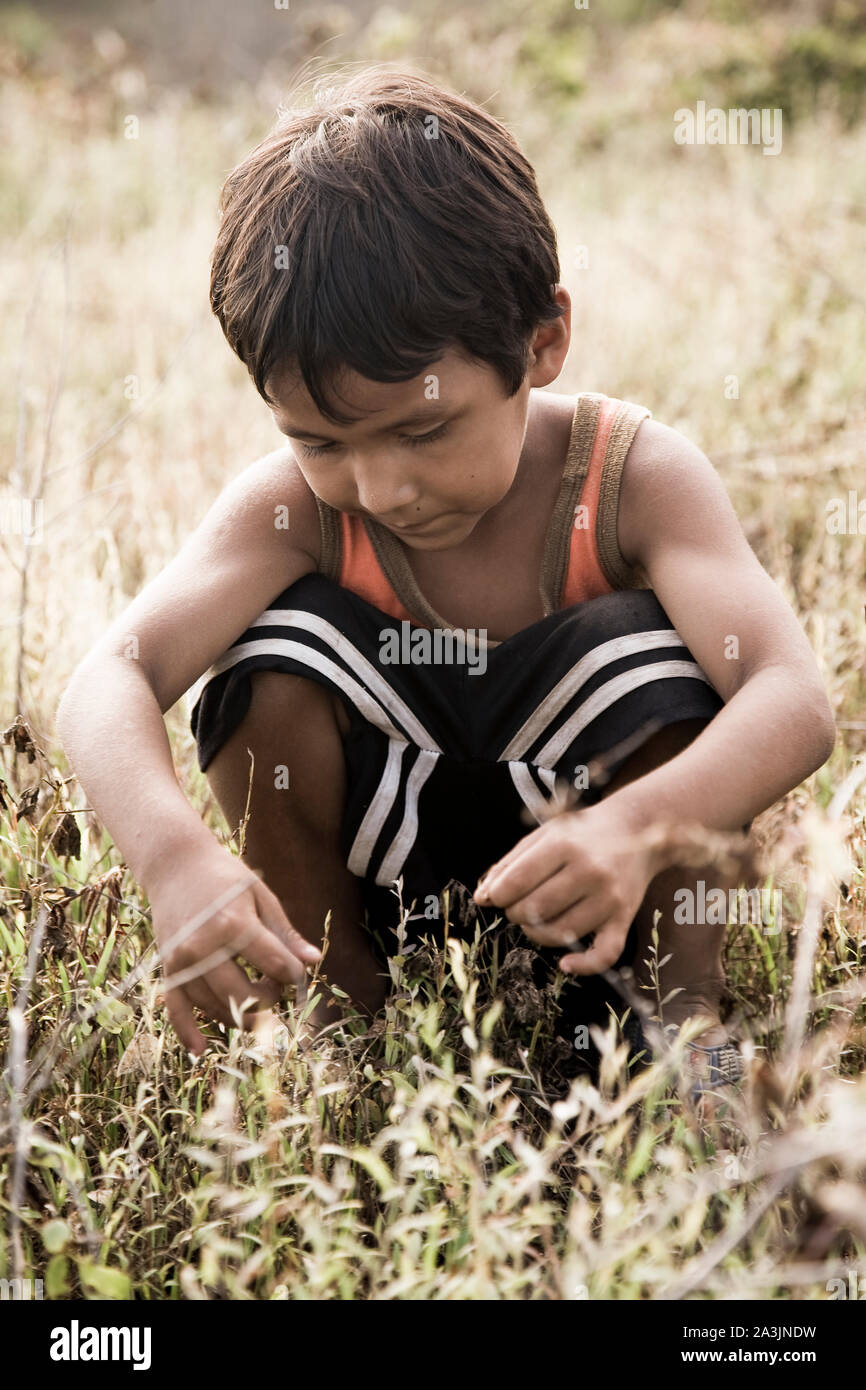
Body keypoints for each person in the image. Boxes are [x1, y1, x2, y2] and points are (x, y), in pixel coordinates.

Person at [56, 66, 835, 1102]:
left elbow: (791, 698)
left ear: (542, 340)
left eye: (423, 427)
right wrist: (172, 859)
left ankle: (684, 1033)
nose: (380, 487)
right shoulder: (292, 509)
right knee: (265, 666)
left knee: (660, 664)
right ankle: (338, 1037)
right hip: (390, 887)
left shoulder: (629, 477)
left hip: (602, 872)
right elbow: (110, 674)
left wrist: (635, 828)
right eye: (320, 439)